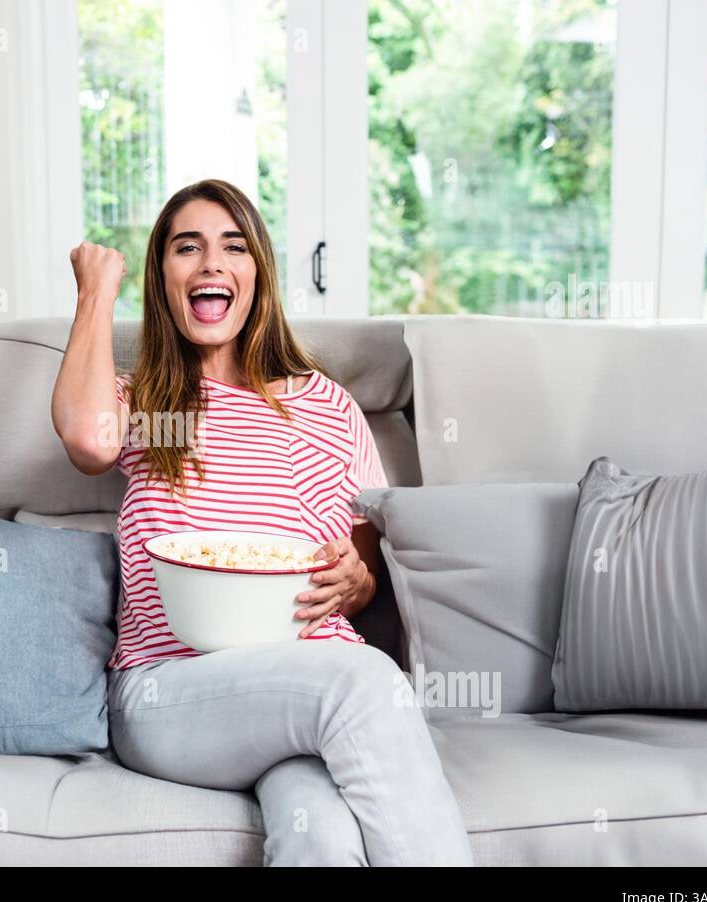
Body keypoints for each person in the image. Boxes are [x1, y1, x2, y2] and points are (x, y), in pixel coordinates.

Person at [51, 178, 473, 866]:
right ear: (163, 280)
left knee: (320, 833)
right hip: (169, 689)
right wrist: (96, 289)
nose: (211, 263)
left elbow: (361, 580)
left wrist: (354, 580)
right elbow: (88, 441)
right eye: (187, 248)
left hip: (304, 683)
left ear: (258, 275)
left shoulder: (329, 406)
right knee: (365, 681)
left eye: (233, 247)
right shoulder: (144, 401)